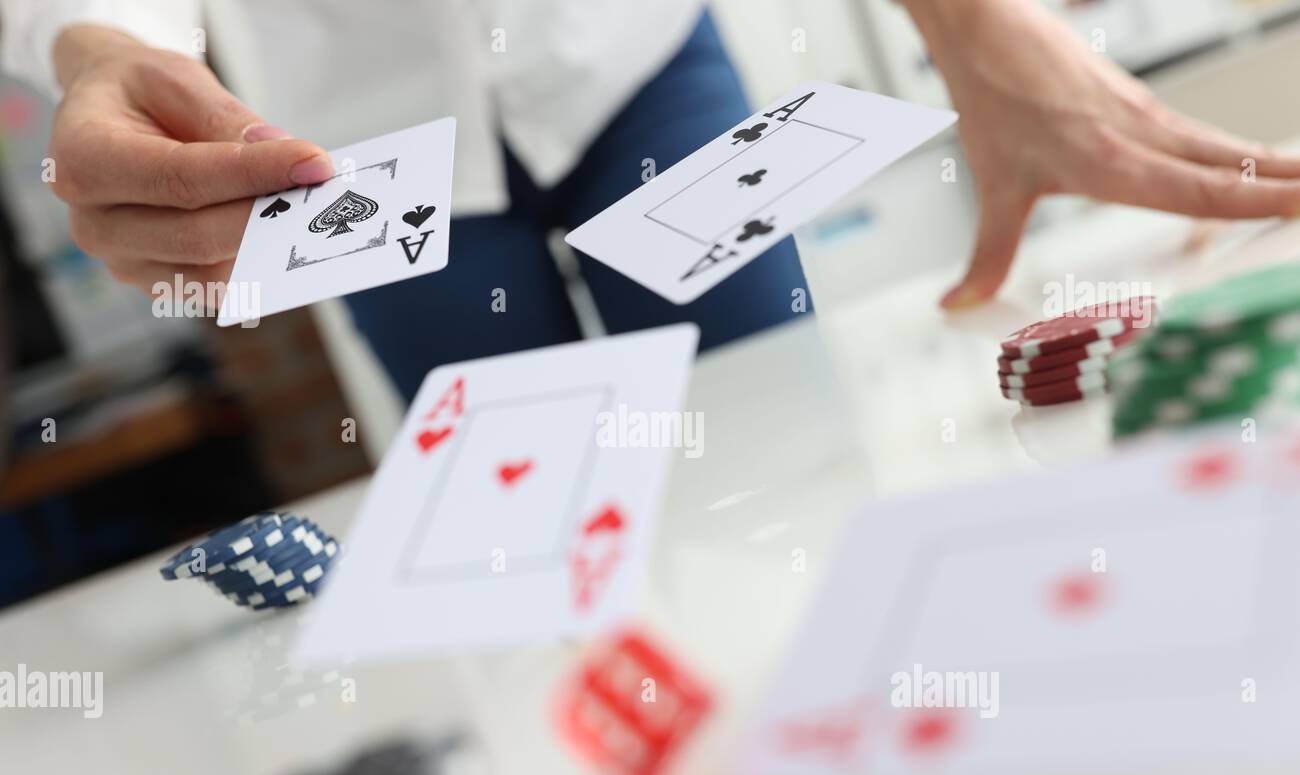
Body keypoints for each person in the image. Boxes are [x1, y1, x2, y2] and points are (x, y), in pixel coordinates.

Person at [6, 0, 1300, 403]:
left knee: (772, 421)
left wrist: (968, 21)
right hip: (358, 135)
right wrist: (96, 41)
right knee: (516, 541)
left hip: (624, 47)